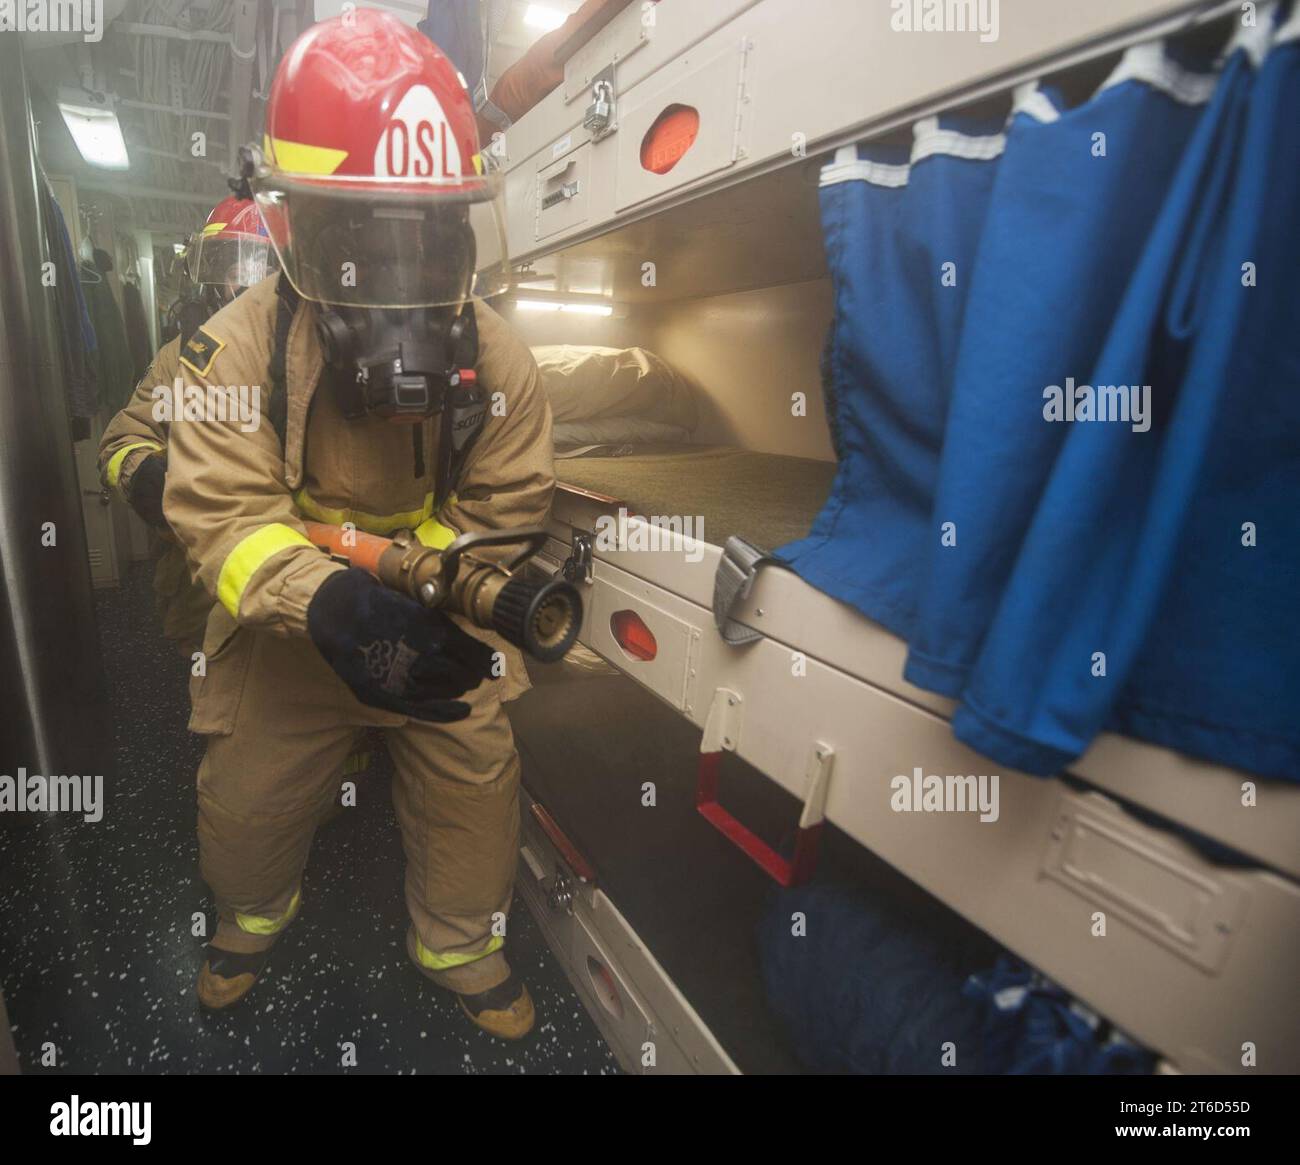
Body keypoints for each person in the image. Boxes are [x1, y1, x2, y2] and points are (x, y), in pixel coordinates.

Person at [162, 9, 553, 1040]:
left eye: (423, 233)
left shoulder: (498, 356)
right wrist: (332, 603)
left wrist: (423, 591)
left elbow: (505, 506)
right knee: (245, 809)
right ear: (300, 223)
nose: (396, 264)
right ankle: (251, 915)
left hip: (429, 608)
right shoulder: (232, 347)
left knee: (479, 782)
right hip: (291, 627)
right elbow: (222, 516)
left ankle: (459, 941)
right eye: (365, 232)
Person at [97, 193, 278, 655]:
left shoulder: (324, 358)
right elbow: (125, 439)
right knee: (213, 702)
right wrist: (148, 481)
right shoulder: (181, 358)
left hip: (293, 582)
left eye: (253, 268)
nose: (236, 284)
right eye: (226, 267)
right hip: (200, 581)